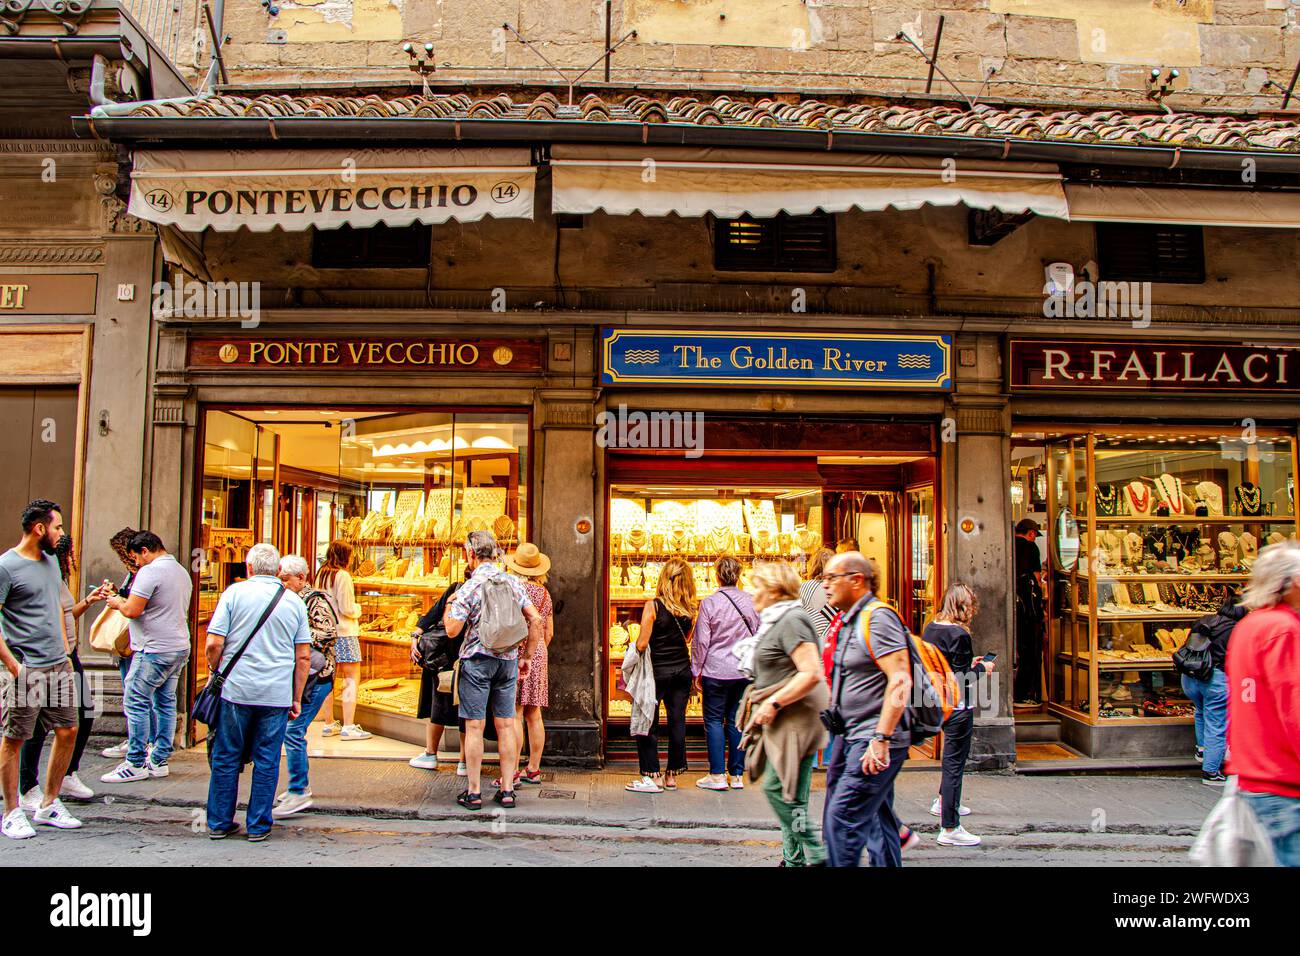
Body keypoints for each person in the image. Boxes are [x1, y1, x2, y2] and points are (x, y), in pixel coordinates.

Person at [204, 543, 311, 841]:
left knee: (227, 755)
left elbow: (214, 643)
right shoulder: (293, 603)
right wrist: (296, 696)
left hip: (236, 690)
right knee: (267, 758)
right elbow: (303, 656)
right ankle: (259, 825)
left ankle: (219, 822)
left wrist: (216, 672)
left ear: (249, 568)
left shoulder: (233, 594)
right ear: (278, 572)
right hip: (275, 694)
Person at [820, 551, 913, 867]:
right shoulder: (850, 618)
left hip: (870, 738)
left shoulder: (878, 617)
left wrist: (882, 738)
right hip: (851, 735)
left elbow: (900, 679)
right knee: (873, 816)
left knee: (842, 818)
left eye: (832, 578)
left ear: (856, 580)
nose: (825, 585)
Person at [0, 500, 85, 838]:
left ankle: (48, 803)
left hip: (58, 664)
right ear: (39, 529)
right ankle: (11, 812)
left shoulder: (50, 562)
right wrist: (13, 665)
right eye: (58, 527)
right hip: (27, 667)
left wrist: (65, 651)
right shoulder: (7, 566)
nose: (61, 533)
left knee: (68, 730)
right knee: (14, 739)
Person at [443, 531, 542, 811]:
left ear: (471, 554)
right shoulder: (512, 582)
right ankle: (508, 789)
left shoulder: (470, 588)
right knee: (506, 724)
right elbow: (535, 619)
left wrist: (450, 605)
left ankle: (474, 792)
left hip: (477, 661)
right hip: (508, 661)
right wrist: (528, 657)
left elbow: (452, 630)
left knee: (475, 725)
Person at [740, 561, 829, 866]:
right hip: (783, 721)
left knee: (781, 791)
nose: (752, 592)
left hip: (796, 719)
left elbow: (811, 672)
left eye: (757, 586)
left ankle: (810, 851)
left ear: (775, 591)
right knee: (788, 793)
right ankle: (794, 857)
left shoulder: (792, 620)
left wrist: (773, 702)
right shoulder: (776, 620)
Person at [1224, 541, 1300, 866]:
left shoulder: (1248, 626)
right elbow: (1294, 709)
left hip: (1253, 775)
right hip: (1283, 779)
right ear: (1292, 582)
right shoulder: (1284, 630)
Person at [19, 533, 106, 809]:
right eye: (70, 556)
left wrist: (88, 602)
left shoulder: (59, 581)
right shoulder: (46, 578)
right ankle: (27, 787)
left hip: (68, 655)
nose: (73, 561)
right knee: (39, 723)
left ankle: (66, 773)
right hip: (54, 658)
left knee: (83, 713)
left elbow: (66, 616)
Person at [99, 531, 192, 784]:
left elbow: (132, 609)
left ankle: (135, 761)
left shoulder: (150, 572)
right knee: (165, 702)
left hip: (153, 648)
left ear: (145, 550)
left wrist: (115, 600)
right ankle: (159, 758)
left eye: (136, 557)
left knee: (136, 700)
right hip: (178, 646)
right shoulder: (180, 570)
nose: (136, 563)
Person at [924, 582, 994, 847]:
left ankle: (944, 802)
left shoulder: (931, 627)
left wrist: (969, 664)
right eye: (971, 605)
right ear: (964, 607)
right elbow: (961, 678)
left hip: (933, 701)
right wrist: (983, 668)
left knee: (950, 760)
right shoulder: (960, 635)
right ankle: (949, 827)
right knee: (954, 763)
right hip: (957, 705)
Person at [273, 554, 339, 818]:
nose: (283, 583)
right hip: (304, 674)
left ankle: (299, 789)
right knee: (292, 729)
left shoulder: (315, 601)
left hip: (317, 675)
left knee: (293, 729)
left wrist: (298, 631)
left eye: (286, 579)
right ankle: (296, 787)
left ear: (301, 578)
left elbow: (329, 634)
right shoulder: (291, 599)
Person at [626, 557, 698, 794]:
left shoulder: (653, 606)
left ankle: (652, 774)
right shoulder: (690, 609)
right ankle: (671, 775)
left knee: (649, 721)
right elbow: (686, 640)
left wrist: (632, 654)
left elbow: (643, 642)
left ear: (664, 579)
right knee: (677, 721)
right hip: (682, 671)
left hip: (656, 673)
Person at [691, 554, 758, 791]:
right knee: (736, 721)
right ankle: (737, 775)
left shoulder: (710, 603)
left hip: (716, 670)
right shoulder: (751, 601)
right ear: (738, 575)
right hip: (742, 670)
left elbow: (701, 641)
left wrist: (696, 669)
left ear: (717, 575)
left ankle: (717, 774)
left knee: (713, 721)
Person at [502, 543, 554, 788]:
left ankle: (511, 770)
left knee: (515, 713)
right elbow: (549, 632)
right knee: (534, 713)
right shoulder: (544, 593)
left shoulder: (512, 589)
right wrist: (539, 649)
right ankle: (533, 768)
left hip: (516, 651)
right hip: (539, 652)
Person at [102, 526, 153, 760]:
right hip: (131, 640)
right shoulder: (134, 573)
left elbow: (134, 607)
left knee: (138, 694)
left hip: (138, 641)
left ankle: (143, 742)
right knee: (133, 692)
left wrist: (118, 601)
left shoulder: (144, 574)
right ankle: (138, 739)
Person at [1183, 595, 1245, 786]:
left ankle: (1202, 750)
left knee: (1201, 712)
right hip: (1214, 678)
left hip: (1190, 675)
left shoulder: (1204, 620)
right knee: (1217, 722)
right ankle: (1211, 771)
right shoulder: (1236, 629)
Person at [408, 575, 466, 775]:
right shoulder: (481, 590)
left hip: (444, 657)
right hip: (464, 656)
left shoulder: (456, 590)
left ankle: (431, 754)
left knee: (439, 702)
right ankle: (464, 762)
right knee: (466, 709)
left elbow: (437, 617)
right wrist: (415, 634)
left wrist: (416, 635)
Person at [315, 540, 368, 740]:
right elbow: (347, 607)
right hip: (345, 633)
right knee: (350, 679)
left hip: (326, 633)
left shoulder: (321, 574)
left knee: (329, 678)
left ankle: (329, 722)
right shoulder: (343, 576)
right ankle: (348, 724)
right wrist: (359, 610)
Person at [1013, 518, 1045, 705]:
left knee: (1018, 648)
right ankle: (1024, 694)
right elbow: (1037, 578)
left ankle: (1015, 692)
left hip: (1013, 604)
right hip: (1028, 607)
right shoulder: (1031, 548)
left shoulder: (1008, 544)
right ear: (1031, 533)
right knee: (1030, 650)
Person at [799, 548, 837, 644]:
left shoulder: (803, 588)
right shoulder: (839, 588)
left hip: (811, 643)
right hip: (835, 641)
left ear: (813, 565)